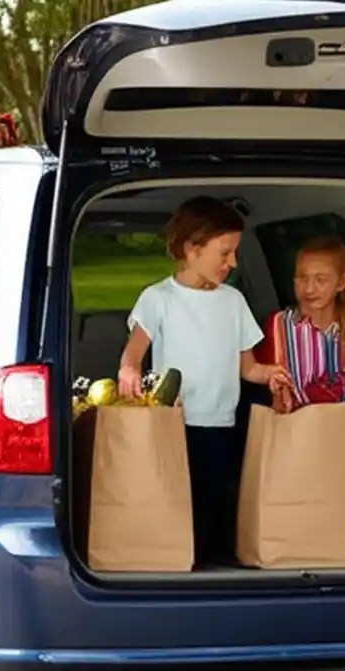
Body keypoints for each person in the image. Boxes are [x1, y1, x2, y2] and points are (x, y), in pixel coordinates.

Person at [117, 196, 291, 565]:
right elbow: (134, 352)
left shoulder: (233, 302)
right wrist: (129, 371)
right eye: (224, 253)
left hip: (222, 426)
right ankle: (178, 565)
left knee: (216, 504)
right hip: (175, 424)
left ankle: (213, 570)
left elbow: (248, 368)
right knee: (179, 502)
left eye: (235, 254)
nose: (233, 263)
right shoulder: (158, 298)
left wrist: (270, 373)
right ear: (192, 249)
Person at [253, 235, 345, 410]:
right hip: (295, 429)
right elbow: (259, 382)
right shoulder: (277, 327)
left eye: (320, 280)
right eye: (302, 278)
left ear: (342, 282)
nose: (309, 289)